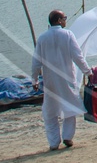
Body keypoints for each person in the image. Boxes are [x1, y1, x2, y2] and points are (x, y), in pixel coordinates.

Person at [31, 9, 92, 150]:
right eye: (64, 17)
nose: (65, 20)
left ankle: (53, 142)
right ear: (59, 20)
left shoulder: (42, 38)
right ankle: (67, 137)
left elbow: (36, 62)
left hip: (50, 80)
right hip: (67, 78)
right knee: (69, 107)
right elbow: (78, 56)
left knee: (50, 111)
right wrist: (87, 71)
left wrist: (34, 80)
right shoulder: (68, 35)